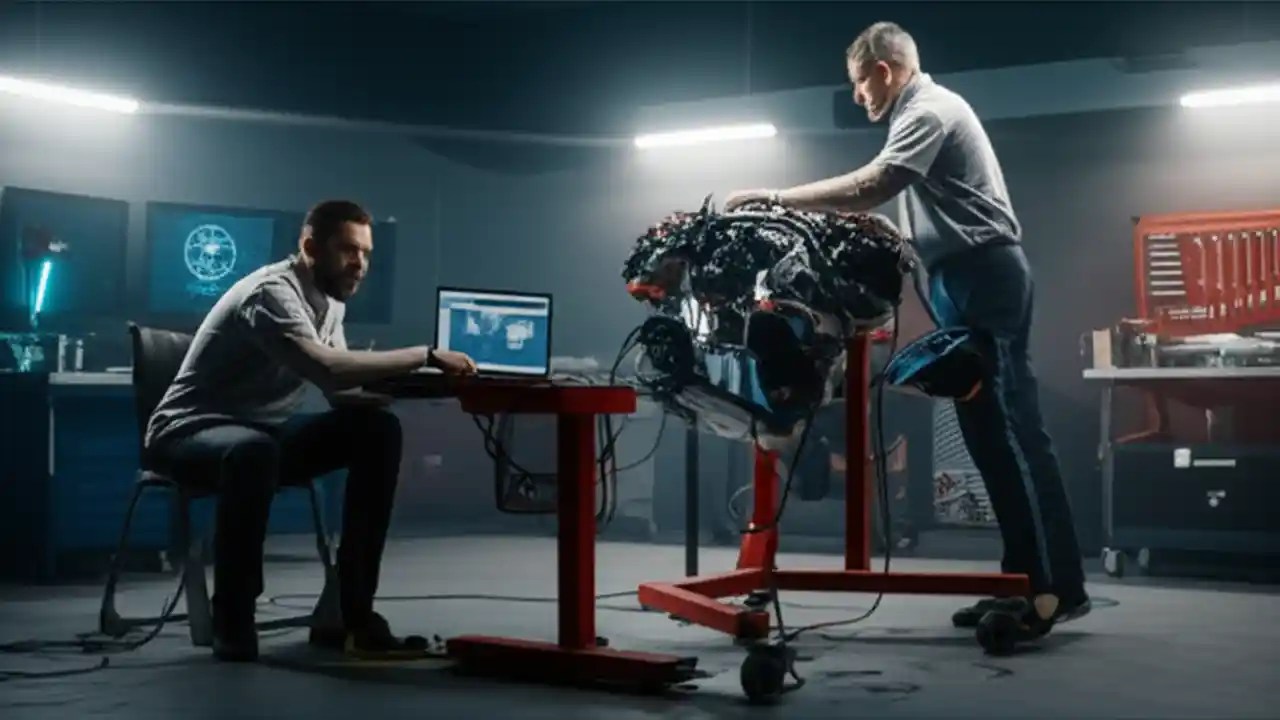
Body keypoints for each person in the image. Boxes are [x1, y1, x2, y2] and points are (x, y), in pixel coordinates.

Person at [724, 22, 1089, 635]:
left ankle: (1050, 591)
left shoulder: (929, 110)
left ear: (884, 72)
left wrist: (778, 199)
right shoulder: (914, 116)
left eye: (859, 82)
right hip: (959, 281)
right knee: (988, 440)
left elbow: (876, 183)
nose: (859, 95)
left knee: (1011, 431)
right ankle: (1018, 581)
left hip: (984, 278)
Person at [145, 199, 477, 662]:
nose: (358, 263)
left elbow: (342, 393)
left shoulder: (330, 302)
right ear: (309, 247)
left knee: (378, 430)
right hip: (185, 434)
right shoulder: (272, 294)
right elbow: (329, 368)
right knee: (254, 452)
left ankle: (349, 617)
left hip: (258, 439)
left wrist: (428, 390)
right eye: (347, 249)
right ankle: (233, 619)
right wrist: (426, 354)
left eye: (365, 253)